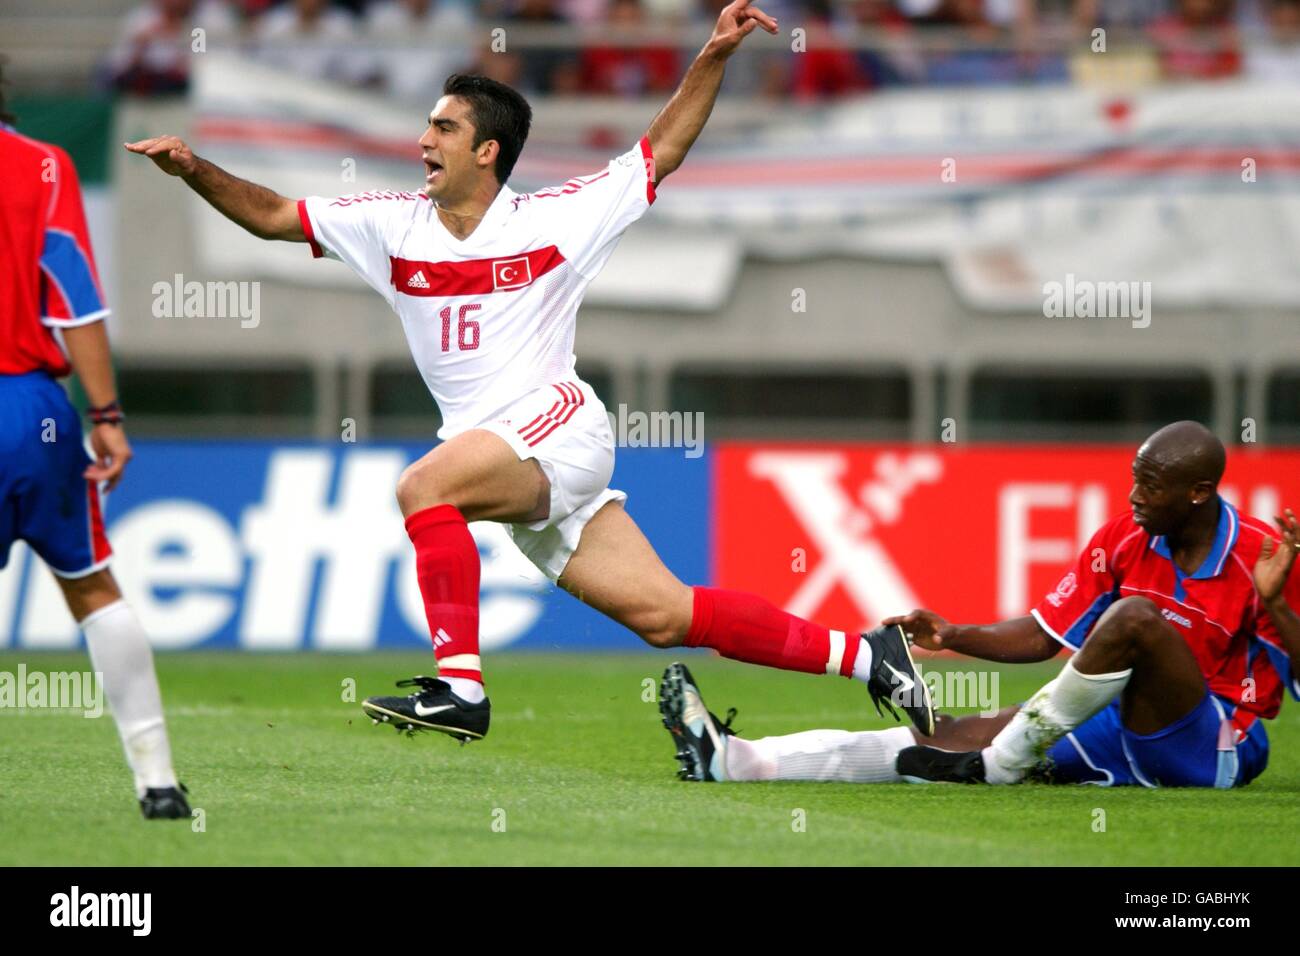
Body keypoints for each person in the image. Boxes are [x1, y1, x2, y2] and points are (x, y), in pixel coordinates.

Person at [124, 0, 936, 745]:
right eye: (426, 127)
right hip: (507, 458)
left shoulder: (556, 218)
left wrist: (713, 56)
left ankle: (461, 692)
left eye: (442, 128)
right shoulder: (387, 227)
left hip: (557, 426)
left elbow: (663, 150)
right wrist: (194, 167)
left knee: (422, 488)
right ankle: (871, 658)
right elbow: (270, 215)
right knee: (665, 613)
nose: (423, 141)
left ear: (487, 150)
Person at [660, 421, 1300, 789]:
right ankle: (739, 760)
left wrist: (1279, 608)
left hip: (1214, 746)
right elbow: (1044, 635)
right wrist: (953, 633)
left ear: (1198, 492)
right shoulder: (1125, 539)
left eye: (1149, 485)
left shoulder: (1265, 559)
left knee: (1134, 622)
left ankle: (1007, 761)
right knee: (941, 739)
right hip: (1120, 724)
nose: (1132, 496)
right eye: (1133, 478)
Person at [0, 78, 189, 818]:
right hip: (32, 409)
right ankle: (158, 783)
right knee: (90, 587)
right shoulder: (44, 166)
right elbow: (76, 299)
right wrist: (105, 412)